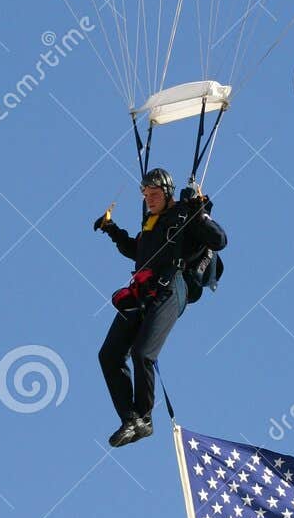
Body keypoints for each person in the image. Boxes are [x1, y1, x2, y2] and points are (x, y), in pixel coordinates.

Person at [95, 168, 227, 446]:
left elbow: (219, 241)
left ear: (167, 194)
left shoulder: (185, 214)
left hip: (171, 288)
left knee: (143, 352)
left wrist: (199, 212)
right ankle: (131, 420)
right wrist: (112, 230)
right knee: (109, 354)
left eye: (154, 194)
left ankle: (144, 419)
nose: (149, 199)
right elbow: (138, 251)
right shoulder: (151, 222)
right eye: (145, 194)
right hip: (143, 291)